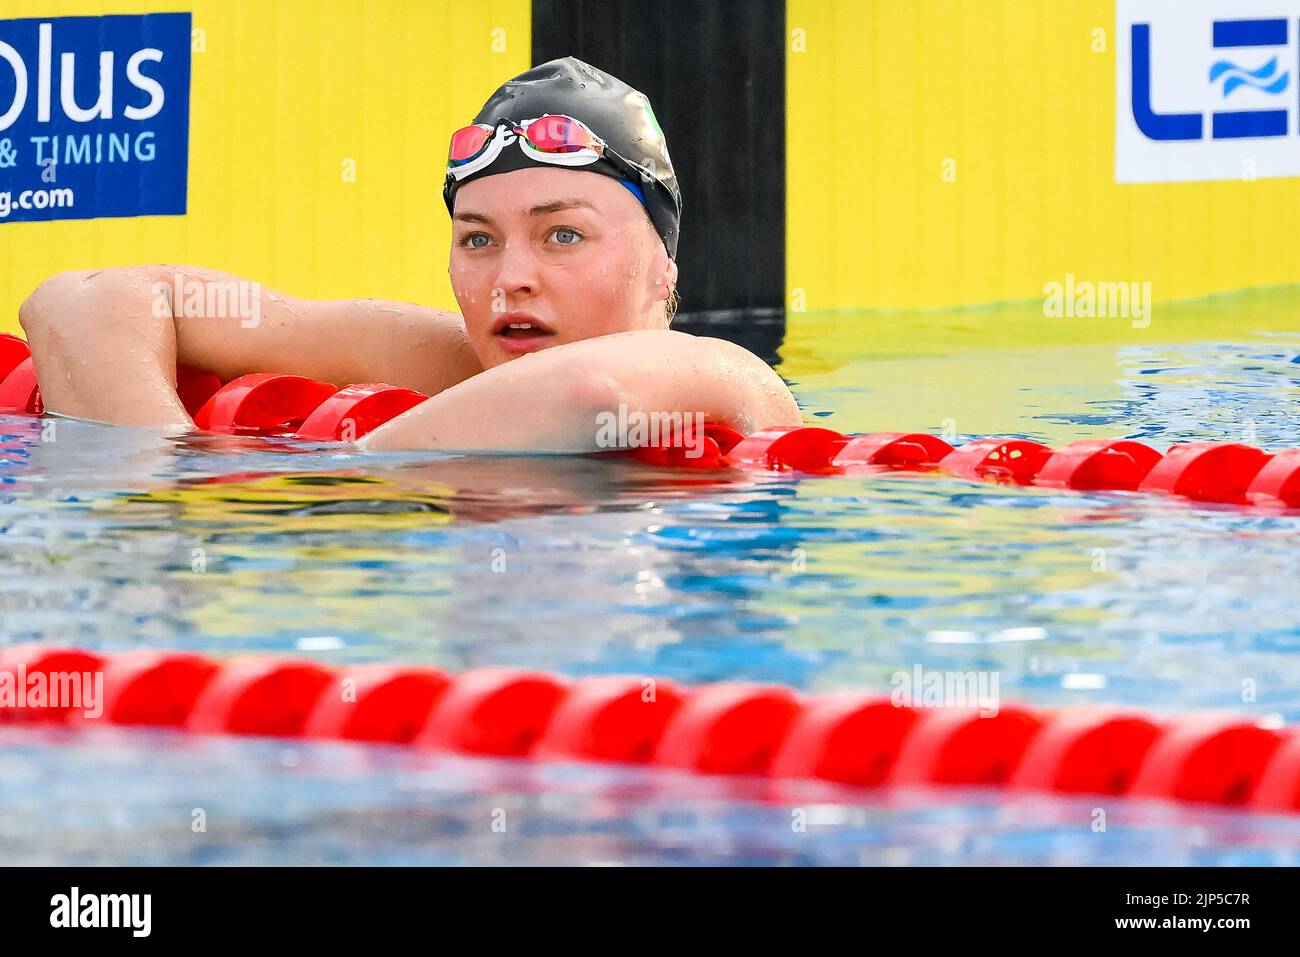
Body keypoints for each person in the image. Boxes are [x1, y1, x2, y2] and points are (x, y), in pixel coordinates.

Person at [19, 57, 801, 451]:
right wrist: (165, 481)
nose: (510, 278)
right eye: (478, 239)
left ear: (663, 264)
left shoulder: (727, 375)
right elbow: (84, 297)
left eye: (563, 234)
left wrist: (310, 480)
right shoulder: (445, 359)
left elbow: (588, 393)